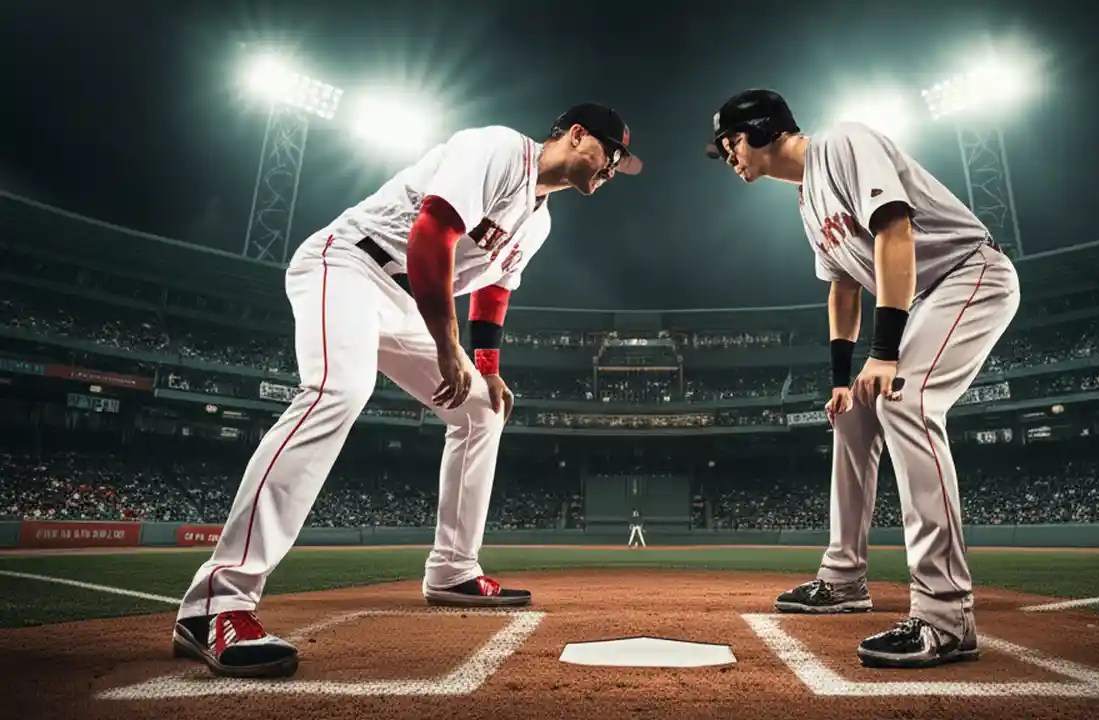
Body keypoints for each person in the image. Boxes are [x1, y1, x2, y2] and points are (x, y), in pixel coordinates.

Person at [171, 103, 642, 679]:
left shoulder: (539, 222)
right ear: (575, 134)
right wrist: (448, 344)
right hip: (348, 263)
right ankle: (217, 602)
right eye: (612, 154)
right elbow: (430, 233)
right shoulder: (498, 148)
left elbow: (493, 291)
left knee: (481, 411)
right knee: (337, 391)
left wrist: (487, 367)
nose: (615, 169)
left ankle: (452, 568)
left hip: (407, 306)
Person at [705, 89, 1019, 669]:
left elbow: (894, 232)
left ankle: (945, 616)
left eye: (729, 141)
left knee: (906, 403)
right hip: (920, 301)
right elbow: (844, 287)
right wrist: (842, 379)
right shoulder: (807, 200)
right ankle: (844, 579)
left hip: (967, 275)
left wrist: (886, 351)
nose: (726, 154)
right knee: (853, 416)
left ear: (762, 128)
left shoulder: (843, 142)